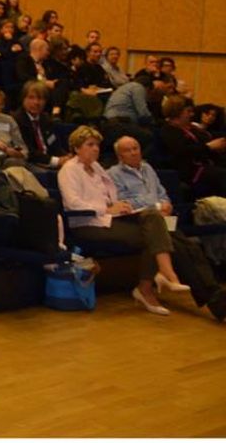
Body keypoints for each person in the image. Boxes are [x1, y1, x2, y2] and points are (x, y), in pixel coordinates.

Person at [59, 126, 188, 316]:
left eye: (97, 145)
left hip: (109, 218)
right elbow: (73, 203)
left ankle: (164, 275)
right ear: (77, 148)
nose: (95, 149)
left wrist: (120, 204)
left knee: (152, 217)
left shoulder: (96, 167)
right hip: (86, 223)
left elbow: (109, 197)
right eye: (90, 145)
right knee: (150, 236)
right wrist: (107, 208)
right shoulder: (69, 170)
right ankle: (152, 284)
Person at [108, 136, 226, 321]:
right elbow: (124, 203)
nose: (133, 152)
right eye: (127, 150)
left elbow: (162, 193)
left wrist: (165, 204)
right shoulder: (113, 174)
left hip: (160, 219)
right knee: (179, 247)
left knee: (191, 247)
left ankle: (217, 297)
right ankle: (218, 303)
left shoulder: (148, 169)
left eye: (136, 148)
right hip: (137, 220)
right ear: (119, 155)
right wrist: (156, 206)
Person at [158, 95, 226, 200]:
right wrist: (209, 147)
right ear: (177, 112)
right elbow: (183, 151)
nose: (192, 114)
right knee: (221, 175)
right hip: (189, 171)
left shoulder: (193, 129)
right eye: (188, 111)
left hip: (205, 165)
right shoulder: (168, 130)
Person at [12, 81, 70, 171]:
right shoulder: (16, 120)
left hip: (50, 162)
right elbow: (29, 152)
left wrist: (65, 157)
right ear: (23, 99)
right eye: (31, 98)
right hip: (30, 163)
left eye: (40, 99)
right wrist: (56, 161)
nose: (36, 102)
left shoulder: (45, 119)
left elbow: (54, 145)